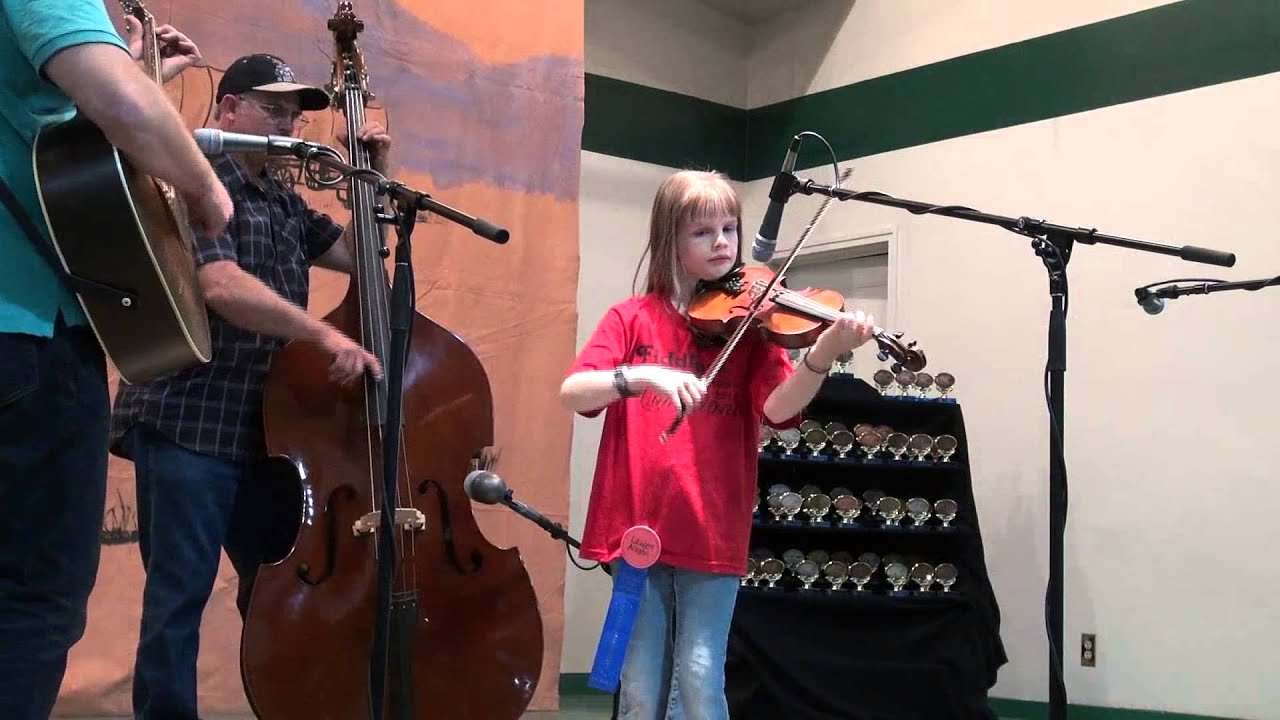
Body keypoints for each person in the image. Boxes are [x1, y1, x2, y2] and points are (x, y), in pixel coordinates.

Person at [107, 52, 388, 720]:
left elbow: (360, 254)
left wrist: (375, 172)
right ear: (228, 109)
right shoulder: (191, 179)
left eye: (293, 113)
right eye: (273, 108)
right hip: (187, 422)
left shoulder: (285, 203)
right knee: (178, 599)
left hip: (265, 433)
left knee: (278, 590)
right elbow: (220, 285)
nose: (288, 122)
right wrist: (322, 337)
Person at [560, 170, 877, 720]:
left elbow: (780, 411)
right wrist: (642, 375)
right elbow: (572, 392)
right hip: (636, 530)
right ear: (670, 240)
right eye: (703, 232)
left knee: (702, 681)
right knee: (638, 686)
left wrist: (824, 351)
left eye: (729, 228)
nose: (723, 243)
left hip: (713, 529)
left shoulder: (753, 331)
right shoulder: (631, 318)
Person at [0, 4, 232, 718]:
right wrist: (204, 187)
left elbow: (67, 137)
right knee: (31, 599)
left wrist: (144, 71)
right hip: (27, 336)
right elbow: (119, 104)